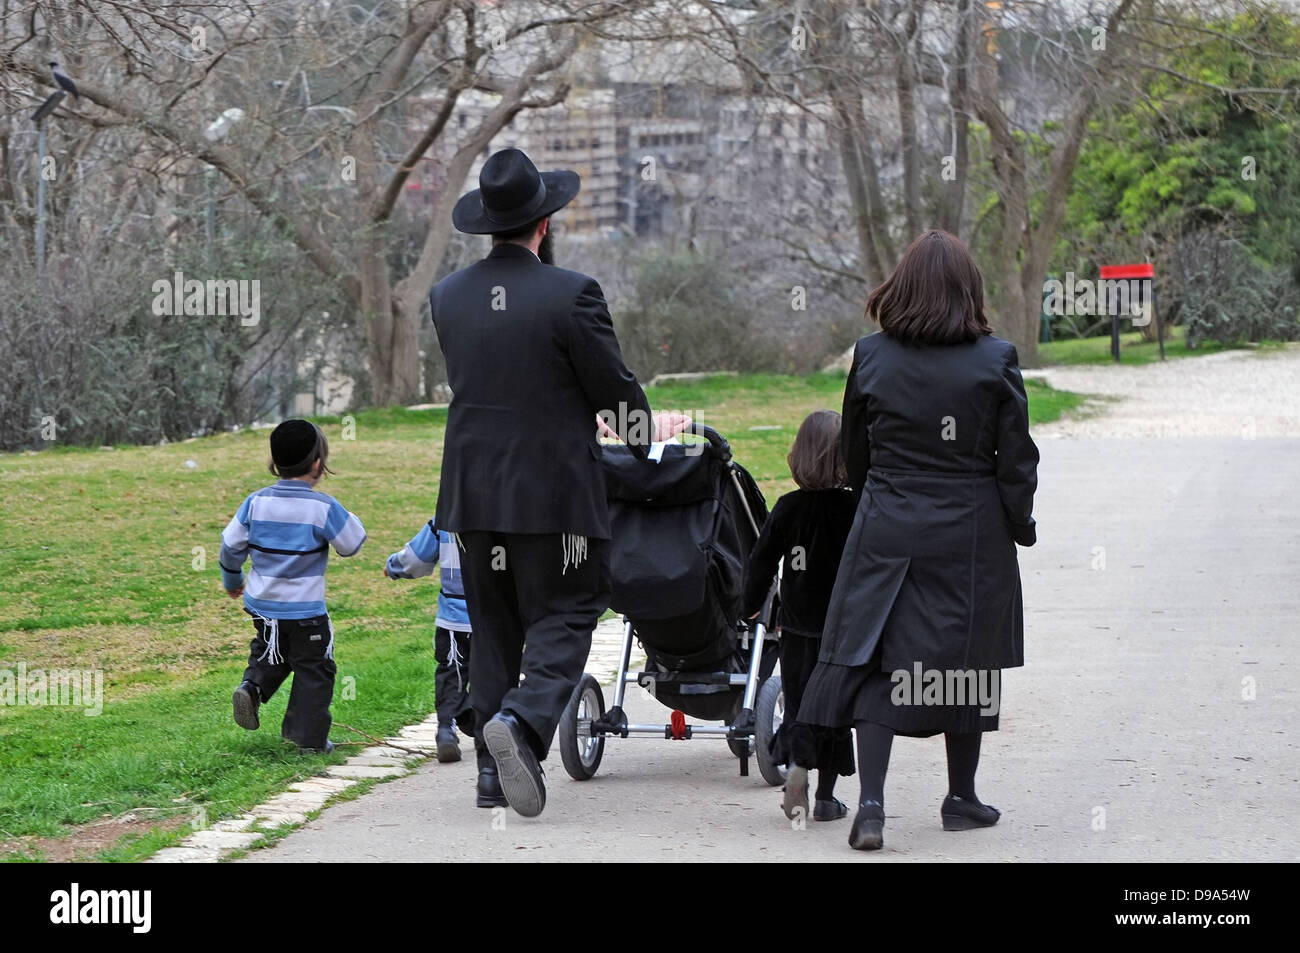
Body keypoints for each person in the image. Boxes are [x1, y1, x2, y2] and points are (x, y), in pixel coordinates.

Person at [430, 147, 690, 817]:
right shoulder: (572, 293)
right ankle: (521, 722)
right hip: (555, 498)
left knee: (493, 627)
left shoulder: (447, 297)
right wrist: (648, 442)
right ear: (543, 224)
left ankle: (492, 776)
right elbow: (613, 389)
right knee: (571, 607)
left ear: (489, 223)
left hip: (473, 496)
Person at [798, 229, 1040, 851]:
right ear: (970, 291)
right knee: (968, 658)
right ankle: (960, 798)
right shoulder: (996, 360)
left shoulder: (870, 357)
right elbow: (1016, 459)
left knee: (882, 658)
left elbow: (854, 452)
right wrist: (1021, 523)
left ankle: (873, 805)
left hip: (889, 525)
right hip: (972, 528)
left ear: (900, 287)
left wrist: (875, 501)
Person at [221, 419, 367, 754]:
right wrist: (347, 515)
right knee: (314, 669)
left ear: (275, 463)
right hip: (305, 612)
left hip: (264, 607)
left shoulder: (255, 503)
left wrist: (233, 580)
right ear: (318, 464)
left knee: (272, 651)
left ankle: (252, 687)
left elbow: (230, 546)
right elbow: (352, 543)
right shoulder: (323, 507)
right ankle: (308, 740)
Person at [741, 410, 856, 822]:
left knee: (800, 704)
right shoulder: (854, 508)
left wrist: (750, 604)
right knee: (834, 710)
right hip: (842, 630)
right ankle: (825, 798)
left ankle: (797, 770)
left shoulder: (789, 507)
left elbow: (761, 561)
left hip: (795, 626)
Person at [383, 520, 485, 780]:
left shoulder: (446, 519)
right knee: (493, 673)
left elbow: (416, 559)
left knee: (452, 673)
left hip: (453, 617)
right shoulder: (506, 512)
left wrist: (393, 567)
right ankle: (487, 726)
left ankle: (446, 729)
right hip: (494, 617)